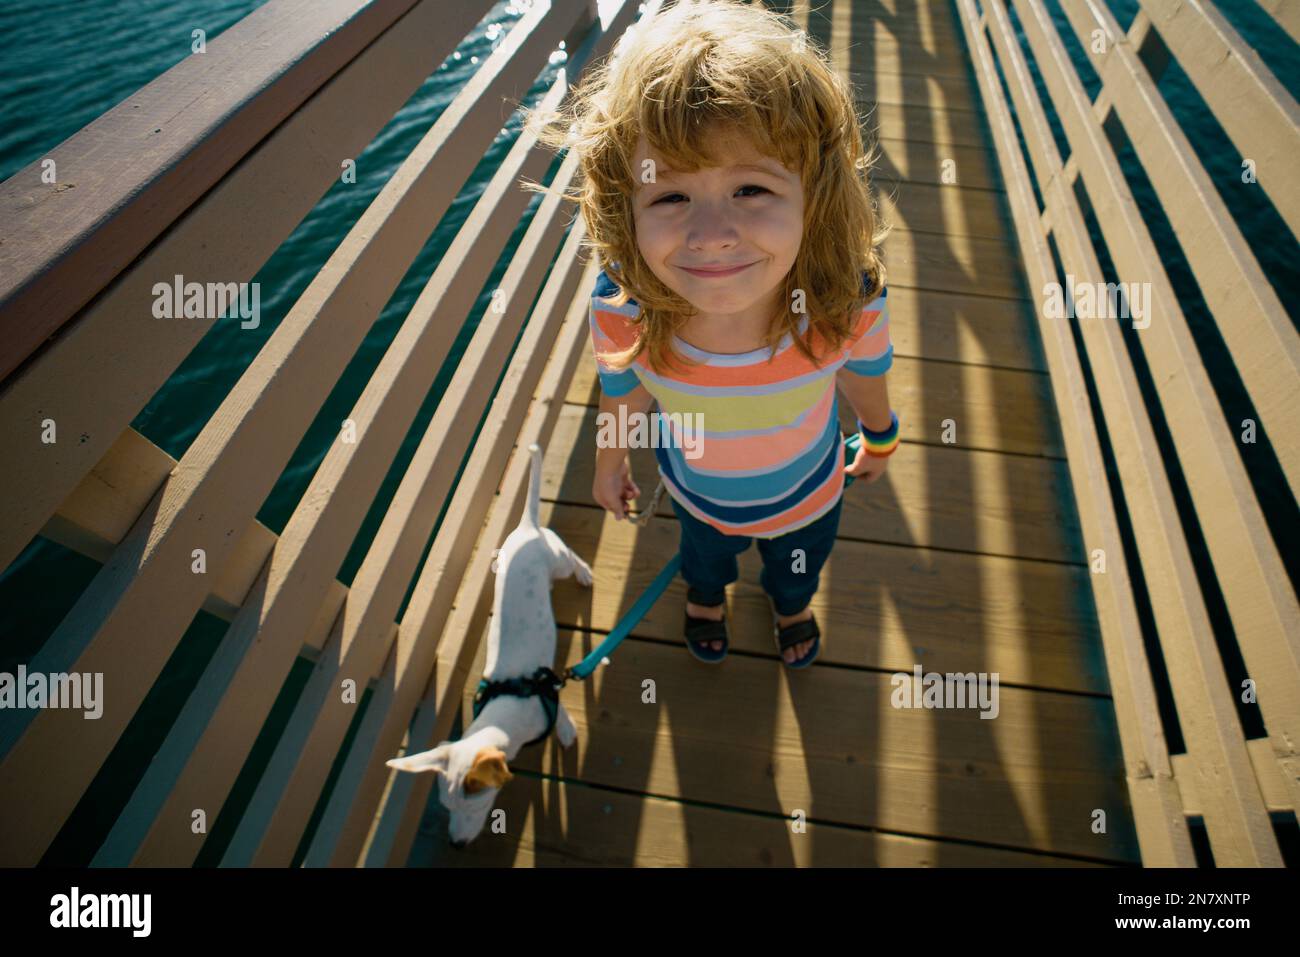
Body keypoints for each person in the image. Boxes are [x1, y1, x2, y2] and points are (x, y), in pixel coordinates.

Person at [524, 0, 900, 668]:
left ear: (815, 196)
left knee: (797, 569)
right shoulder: (626, 306)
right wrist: (611, 459)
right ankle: (705, 598)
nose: (712, 234)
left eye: (752, 189)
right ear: (624, 205)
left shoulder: (845, 300)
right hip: (698, 494)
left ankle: (791, 604)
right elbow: (624, 391)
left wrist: (880, 434)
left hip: (810, 493)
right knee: (704, 559)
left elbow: (866, 374)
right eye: (669, 197)